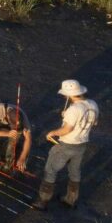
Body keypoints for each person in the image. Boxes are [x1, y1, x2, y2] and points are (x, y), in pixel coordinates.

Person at [34, 79, 99, 209]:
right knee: (75, 171)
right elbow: (95, 122)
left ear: (69, 94)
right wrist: (68, 116)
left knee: (51, 170)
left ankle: (43, 201)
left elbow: (66, 130)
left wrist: (52, 133)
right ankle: (71, 199)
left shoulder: (74, 109)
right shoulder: (93, 104)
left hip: (67, 144)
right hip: (82, 144)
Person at [0, 101, 33, 174]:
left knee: (13, 143)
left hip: (9, 128)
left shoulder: (23, 117)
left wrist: (22, 158)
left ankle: (9, 162)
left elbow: (28, 139)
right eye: (14, 126)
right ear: (7, 116)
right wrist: (7, 134)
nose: (15, 128)